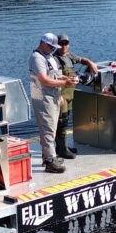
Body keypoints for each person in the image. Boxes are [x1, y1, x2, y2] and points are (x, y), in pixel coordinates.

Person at [29, 32, 75, 173]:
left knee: (52, 127)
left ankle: (48, 156)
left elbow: (55, 75)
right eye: (50, 46)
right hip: (43, 97)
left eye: (53, 47)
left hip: (53, 96)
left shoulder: (49, 57)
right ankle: (50, 161)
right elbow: (44, 80)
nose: (53, 49)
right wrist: (64, 83)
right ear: (43, 43)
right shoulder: (37, 58)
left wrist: (67, 81)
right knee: (48, 129)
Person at [52, 33, 97, 159]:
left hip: (70, 95)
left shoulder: (69, 55)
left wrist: (90, 63)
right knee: (61, 122)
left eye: (66, 43)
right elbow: (55, 77)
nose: (63, 46)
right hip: (62, 96)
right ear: (56, 45)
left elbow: (81, 59)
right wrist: (60, 93)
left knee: (66, 121)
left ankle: (61, 146)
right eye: (61, 44)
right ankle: (61, 149)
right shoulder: (54, 59)